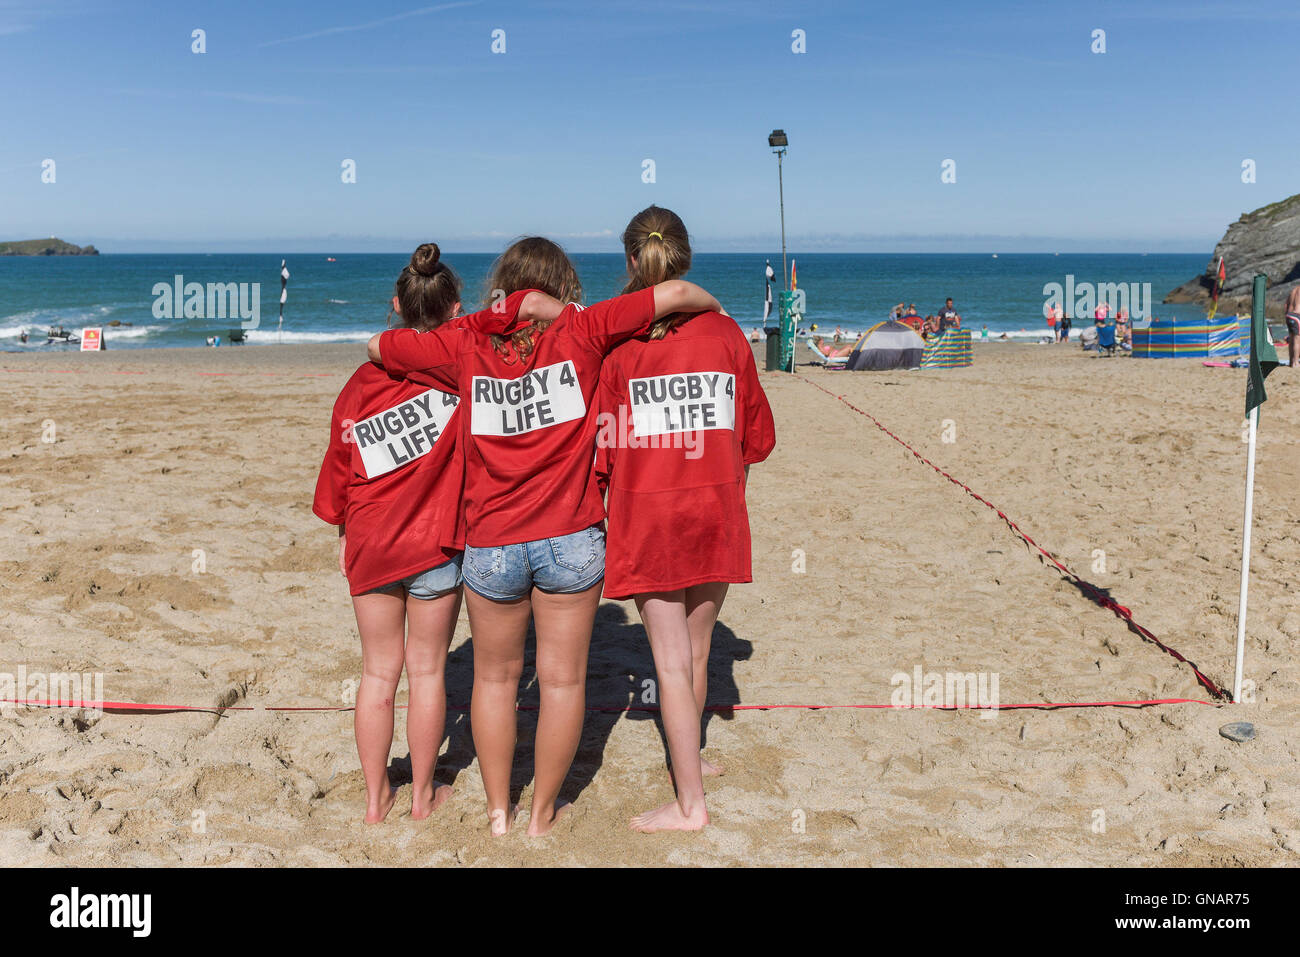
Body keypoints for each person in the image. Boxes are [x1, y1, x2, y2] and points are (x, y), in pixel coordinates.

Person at [368, 236, 723, 836]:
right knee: (562, 680)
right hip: (571, 533)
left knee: (494, 679)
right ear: (566, 288)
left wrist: (494, 317)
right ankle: (541, 814)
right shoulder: (584, 330)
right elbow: (679, 292)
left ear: (501, 287)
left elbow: (378, 344)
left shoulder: (466, 341)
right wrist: (716, 316)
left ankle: (499, 811)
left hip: (494, 538)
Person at [594, 206, 775, 832]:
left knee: (671, 665)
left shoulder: (617, 349)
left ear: (630, 262)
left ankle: (690, 804)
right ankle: (690, 759)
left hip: (653, 517)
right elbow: (759, 436)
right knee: (695, 655)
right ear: (686, 259)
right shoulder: (726, 337)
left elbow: (603, 447)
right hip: (716, 507)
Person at [314, 243, 473, 824]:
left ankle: (377, 799)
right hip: (435, 544)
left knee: (379, 671)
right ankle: (424, 795)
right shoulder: (462, 380)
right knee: (427, 669)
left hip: (373, 542)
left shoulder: (362, 382)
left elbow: (341, 460)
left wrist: (339, 529)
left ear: (396, 306)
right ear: (455, 308)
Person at [1286, 286, 1300, 369]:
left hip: (1289, 315)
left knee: (1291, 339)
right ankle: (1295, 362)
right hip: (1297, 315)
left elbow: (1286, 304)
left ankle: (1291, 361)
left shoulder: (1293, 289)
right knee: (1297, 340)